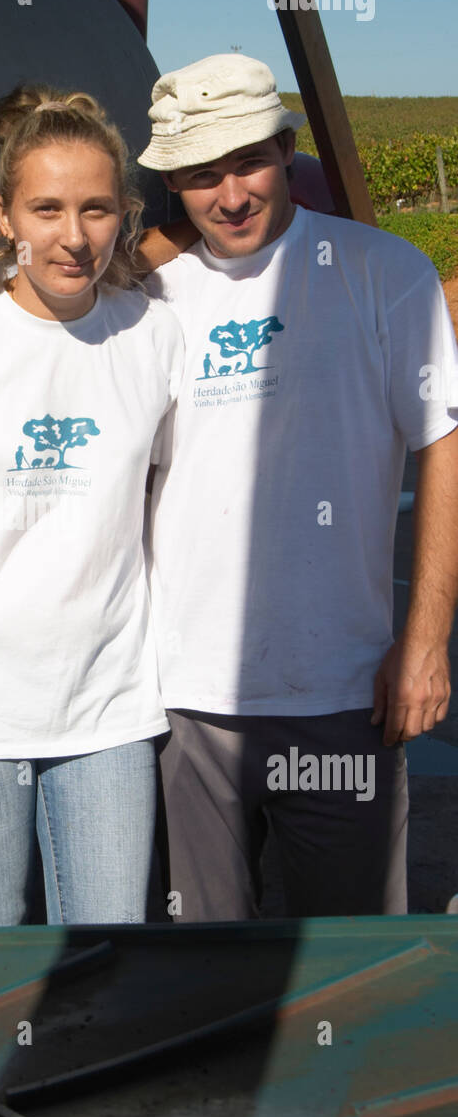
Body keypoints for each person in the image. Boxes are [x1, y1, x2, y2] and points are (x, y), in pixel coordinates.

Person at [138, 52, 458, 921]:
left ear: (286, 149)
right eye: (200, 175)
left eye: (246, 162)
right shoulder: (141, 301)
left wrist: (425, 642)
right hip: (181, 698)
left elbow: (444, 448)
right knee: (202, 968)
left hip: (342, 692)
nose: (230, 195)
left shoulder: (384, 274)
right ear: (170, 181)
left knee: (349, 957)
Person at [0, 86, 185, 926]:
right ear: (4, 214)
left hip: (106, 703)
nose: (72, 235)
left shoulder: (153, 338)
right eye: (45, 208)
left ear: (124, 215)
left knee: (107, 946)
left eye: (95, 210)